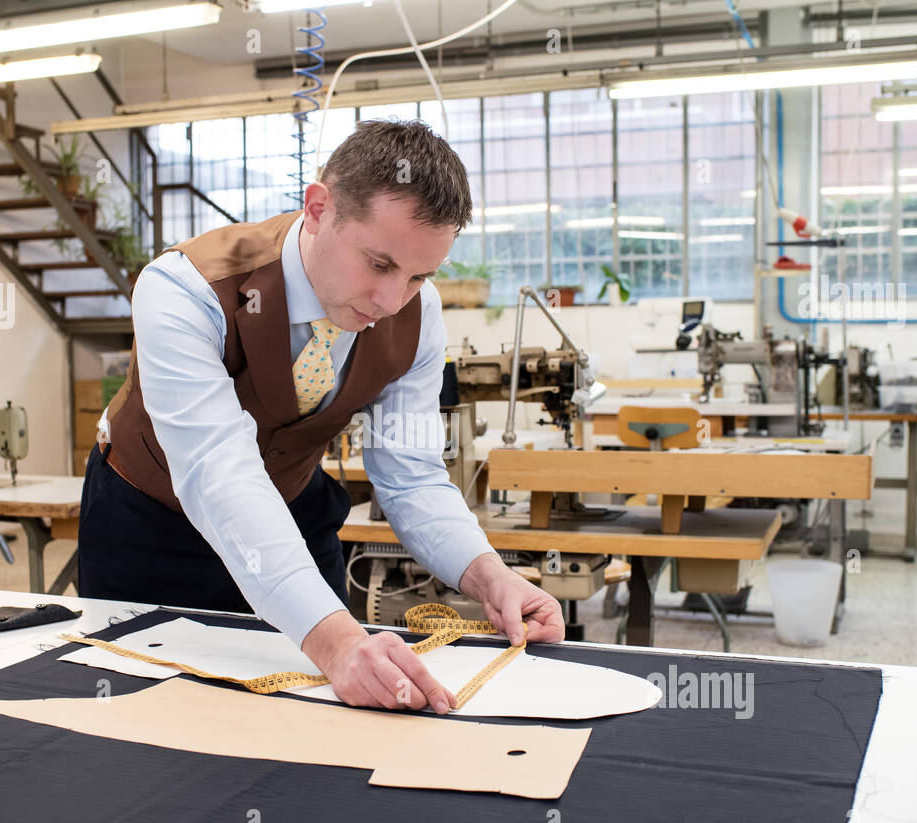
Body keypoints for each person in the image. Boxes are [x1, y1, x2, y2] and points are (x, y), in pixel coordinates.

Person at [78, 119, 564, 713]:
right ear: (317, 207)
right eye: (380, 264)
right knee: (145, 725)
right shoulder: (186, 289)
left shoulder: (416, 314)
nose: (392, 302)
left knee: (314, 727)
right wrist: (334, 641)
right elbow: (218, 473)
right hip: (149, 528)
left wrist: (490, 576)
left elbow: (410, 473)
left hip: (291, 515)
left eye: (419, 276)